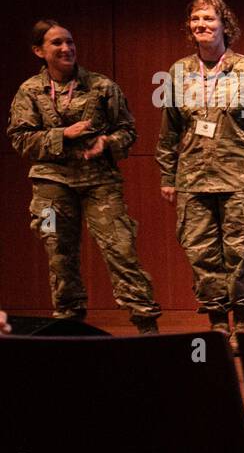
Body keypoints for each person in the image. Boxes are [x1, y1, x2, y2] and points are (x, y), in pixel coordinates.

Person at [8, 19, 160, 333]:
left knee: (120, 249)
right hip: (51, 186)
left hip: (100, 183)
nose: (66, 48)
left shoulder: (101, 86)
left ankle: (146, 325)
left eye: (70, 41)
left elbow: (129, 131)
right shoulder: (30, 91)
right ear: (39, 51)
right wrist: (62, 135)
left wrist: (107, 143)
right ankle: (67, 324)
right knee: (58, 251)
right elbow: (21, 140)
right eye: (57, 43)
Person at [156, 0, 244, 337]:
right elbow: (170, 129)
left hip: (242, 178)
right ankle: (218, 325)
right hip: (193, 179)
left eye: (208, 18)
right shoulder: (179, 72)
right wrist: (167, 175)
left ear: (225, 25)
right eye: (195, 19)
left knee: (243, 252)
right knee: (202, 253)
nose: (200, 24)